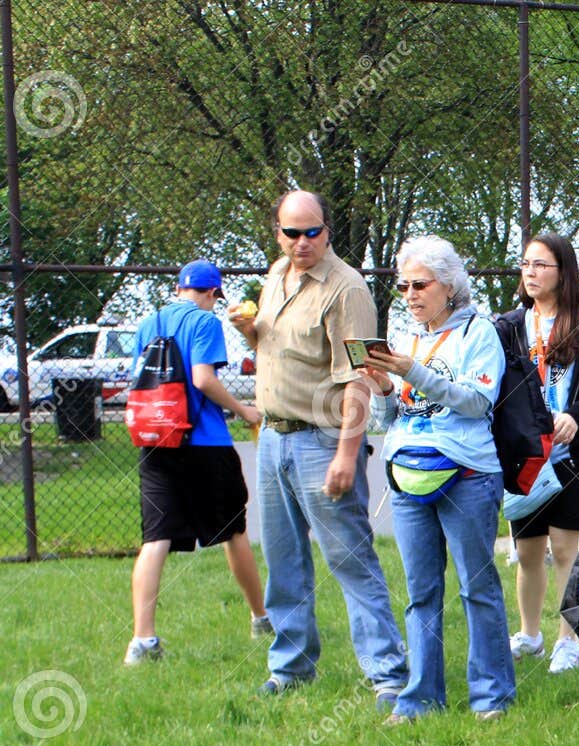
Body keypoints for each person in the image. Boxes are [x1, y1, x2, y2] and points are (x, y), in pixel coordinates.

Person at [228, 190, 407, 702]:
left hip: (322, 441)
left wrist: (348, 455)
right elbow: (273, 348)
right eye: (291, 233)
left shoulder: (348, 288)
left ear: (328, 231)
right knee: (284, 563)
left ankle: (388, 676)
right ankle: (290, 669)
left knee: (350, 561)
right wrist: (249, 331)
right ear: (277, 231)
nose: (302, 242)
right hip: (273, 439)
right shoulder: (275, 274)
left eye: (312, 232)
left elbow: (360, 378)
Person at [360, 236, 514, 723]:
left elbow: (475, 403)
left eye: (420, 284)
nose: (409, 293)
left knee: (477, 586)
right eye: (403, 285)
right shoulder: (403, 339)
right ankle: (421, 698)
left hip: (468, 473)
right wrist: (385, 385)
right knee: (420, 591)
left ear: (449, 286)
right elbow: (394, 414)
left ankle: (492, 697)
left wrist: (414, 370)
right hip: (407, 473)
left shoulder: (479, 333)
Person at [124, 260, 267, 664]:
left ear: (179, 288)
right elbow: (203, 379)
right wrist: (244, 410)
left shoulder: (147, 324)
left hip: (156, 443)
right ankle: (260, 617)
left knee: (155, 540)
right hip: (204, 442)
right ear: (211, 293)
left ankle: (142, 641)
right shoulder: (205, 323)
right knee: (232, 531)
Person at [497, 233, 579, 674]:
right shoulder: (507, 327)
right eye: (526, 264)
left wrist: (578, 414)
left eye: (541, 264)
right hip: (527, 454)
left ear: (564, 271)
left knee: (564, 548)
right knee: (526, 550)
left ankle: (569, 640)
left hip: (573, 454)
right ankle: (529, 634)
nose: (531, 272)